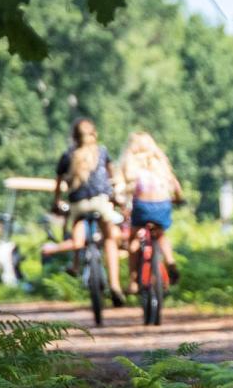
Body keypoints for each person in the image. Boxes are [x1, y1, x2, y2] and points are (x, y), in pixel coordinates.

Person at [49, 118, 127, 306]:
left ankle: (75, 264)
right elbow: (111, 175)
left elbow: (59, 183)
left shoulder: (68, 154)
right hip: (101, 200)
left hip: (78, 203)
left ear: (74, 137)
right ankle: (115, 285)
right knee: (108, 238)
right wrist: (115, 195)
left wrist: (57, 202)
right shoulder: (102, 151)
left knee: (77, 229)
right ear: (94, 134)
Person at [117, 132, 184, 288]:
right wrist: (178, 199)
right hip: (163, 204)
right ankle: (170, 261)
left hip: (142, 206)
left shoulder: (131, 163)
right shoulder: (159, 163)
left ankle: (133, 281)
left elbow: (124, 189)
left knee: (133, 239)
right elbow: (175, 185)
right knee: (160, 233)